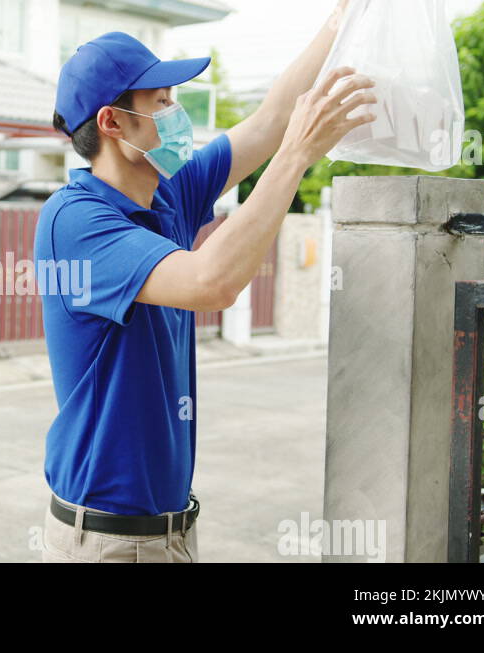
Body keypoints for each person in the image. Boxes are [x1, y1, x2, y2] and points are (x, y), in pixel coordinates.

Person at [35, 0, 375, 563]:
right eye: (162, 101)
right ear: (112, 123)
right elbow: (211, 282)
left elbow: (269, 121)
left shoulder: (164, 193)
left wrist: (345, 17)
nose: (178, 113)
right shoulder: (76, 220)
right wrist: (296, 156)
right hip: (108, 541)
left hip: (168, 530)